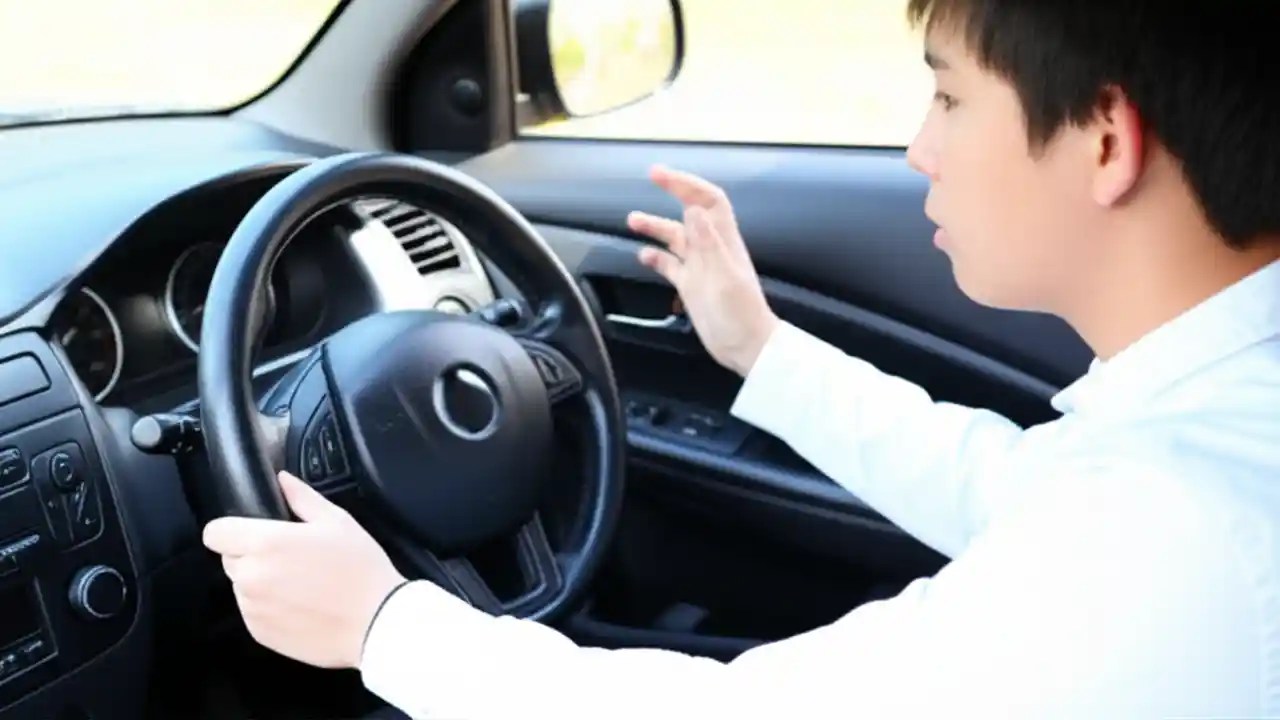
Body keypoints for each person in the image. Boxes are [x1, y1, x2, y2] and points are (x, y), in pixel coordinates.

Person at [201, 0, 1280, 717]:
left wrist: (384, 627)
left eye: (947, 97)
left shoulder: (1162, 546)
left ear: (1102, 140)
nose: (919, 147)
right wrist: (760, 351)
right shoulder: (1206, 439)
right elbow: (1004, 485)